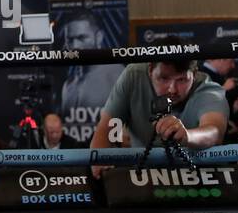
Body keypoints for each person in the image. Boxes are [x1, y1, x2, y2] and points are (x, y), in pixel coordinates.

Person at [89, 41, 229, 180]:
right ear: (150, 70)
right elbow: (107, 127)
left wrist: (187, 136)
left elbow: (214, 132)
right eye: (164, 78)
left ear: (194, 74)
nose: (172, 89)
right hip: (145, 179)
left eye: (182, 80)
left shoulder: (208, 90)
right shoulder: (134, 76)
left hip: (200, 179)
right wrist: (100, 167)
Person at [58, 11, 124, 139]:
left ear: (99, 37)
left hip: (109, 156)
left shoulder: (116, 75)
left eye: (82, 38)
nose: (75, 46)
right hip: (75, 157)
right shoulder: (68, 85)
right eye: (70, 40)